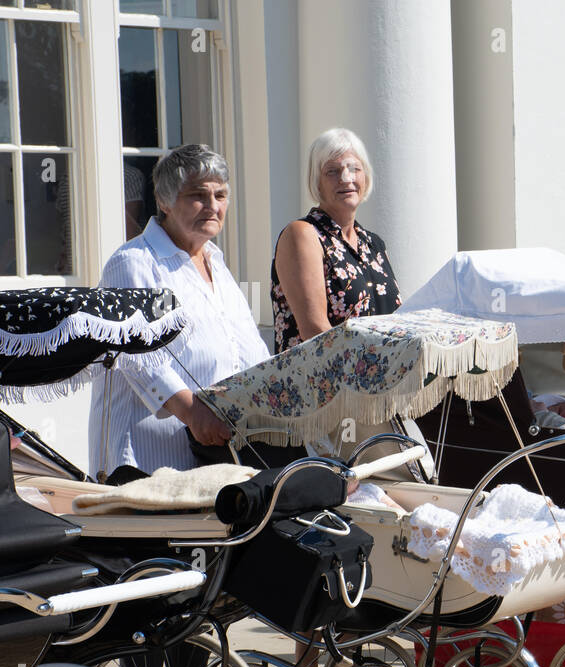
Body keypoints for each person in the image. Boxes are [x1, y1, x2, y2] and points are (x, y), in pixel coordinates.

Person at [91, 144, 270, 481]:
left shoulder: (216, 262)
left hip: (217, 454)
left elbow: (248, 348)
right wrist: (192, 412)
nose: (213, 206)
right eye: (198, 196)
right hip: (147, 456)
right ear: (164, 202)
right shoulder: (135, 263)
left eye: (221, 194)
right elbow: (142, 354)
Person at [271, 128, 400, 353]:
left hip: (380, 381)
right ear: (316, 182)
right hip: (323, 382)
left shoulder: (374, 244)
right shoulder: (303, 234)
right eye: (332, 171)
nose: (346, 178)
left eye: (354, 169)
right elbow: (315, 330)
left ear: (365, 176)